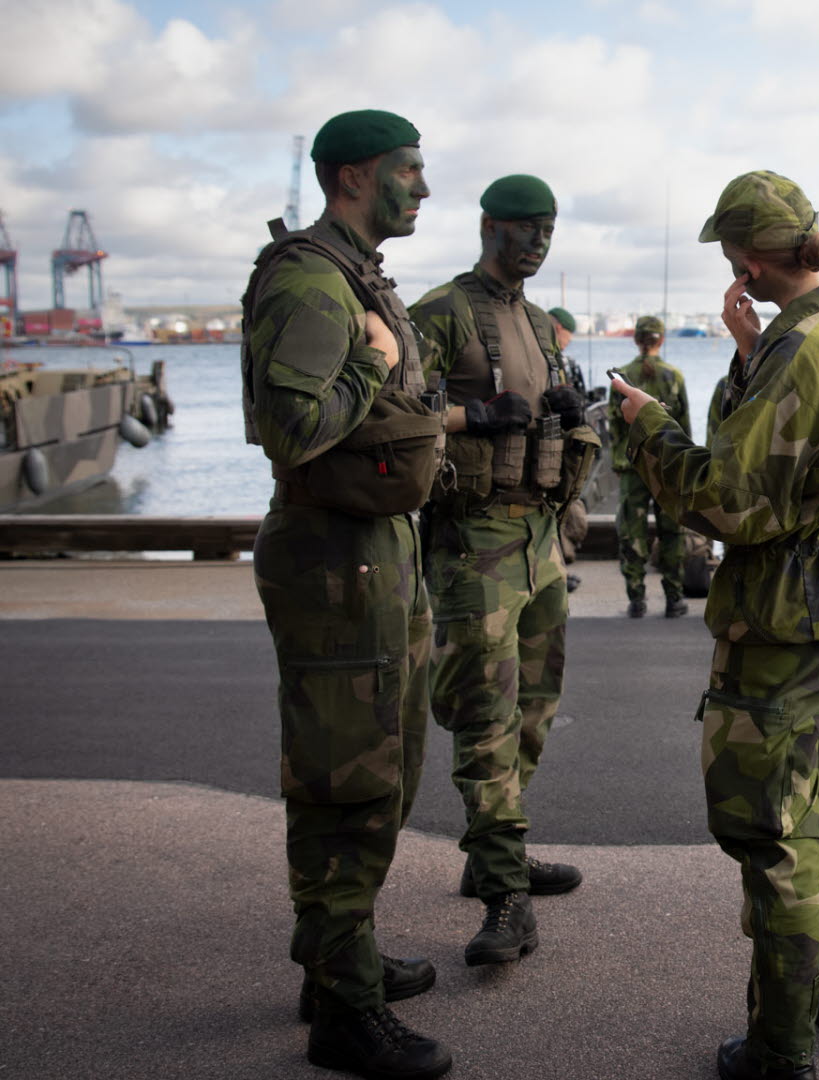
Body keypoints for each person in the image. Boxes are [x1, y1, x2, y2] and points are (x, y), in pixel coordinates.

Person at [609, 170, 819, 1080]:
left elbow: (732, 501)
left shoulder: (803, 350)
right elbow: (815, 460)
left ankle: (781, 1047)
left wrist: (652, 426)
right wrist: (751, 353)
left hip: (786, 624)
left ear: (746, 259)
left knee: (778, 838)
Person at [242, 108, 451, 1079]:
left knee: (389, 766)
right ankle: (341, 1007)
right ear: (357, 176)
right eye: (412, 171)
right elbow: (291, 426)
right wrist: (371, 358)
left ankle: (341, 954)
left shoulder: (358, 275)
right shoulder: (312, 278)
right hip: (336, 560)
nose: (425, 187)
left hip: (378, 550)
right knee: (346, 783)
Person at [409, 174, 594, 969]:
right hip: (475, 543)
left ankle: (498, 852)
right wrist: (469, 415)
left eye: (548, 228)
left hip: (541, 538)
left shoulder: (539, 323)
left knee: (535, 707)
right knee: (486, 713)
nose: (538, 241)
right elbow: (390, 409)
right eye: (525, 227)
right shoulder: (443, 314)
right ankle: (502, 898)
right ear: (489, 226)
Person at [605, 315, 691, 618]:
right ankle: (674, 597)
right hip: (667, 467)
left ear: (636, 339)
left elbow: (614, 425)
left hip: (632, 467)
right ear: (661, 340)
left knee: (632, 532)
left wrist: (619, 457)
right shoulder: (674, 377)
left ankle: (637, 599)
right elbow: (683, 427)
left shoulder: (621, 378)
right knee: (672, 532)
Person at [545, 307, 591, 593]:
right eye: (566, 337)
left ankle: (558, 570)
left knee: (558, 512)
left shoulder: (560, 361)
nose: (566, 344)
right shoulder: (549, 359)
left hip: (562, 448)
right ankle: (555, 571)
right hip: (550, 448)